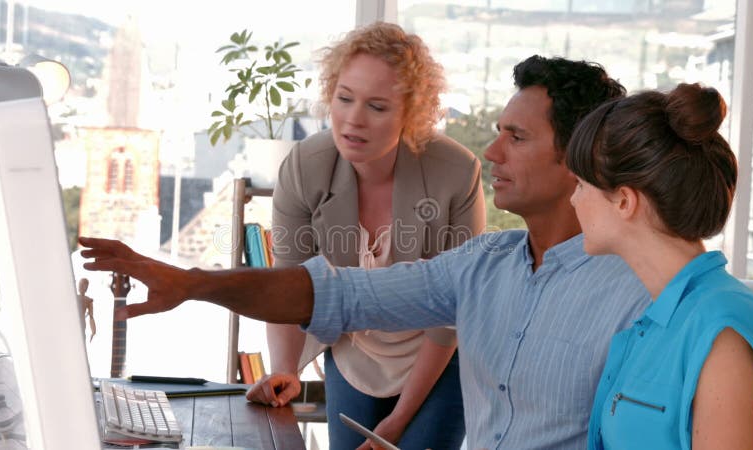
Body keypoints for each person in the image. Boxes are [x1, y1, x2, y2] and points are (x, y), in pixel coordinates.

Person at [79, 55, 652, 450]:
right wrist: (193, 284)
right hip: (357, 361)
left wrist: (404, 420)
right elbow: (334, 293)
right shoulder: (486, 266)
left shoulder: (641, 291)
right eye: (498, 131)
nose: (494, 150)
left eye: (517, 137)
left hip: (425, 370)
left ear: (581, 156)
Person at [250, 22, 485, 450]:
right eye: (344, 98)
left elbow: (451, 312)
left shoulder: (456, 172)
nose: (353, 119)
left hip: (440, 355)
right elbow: (287, 283)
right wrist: (285, 368)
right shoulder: (306, 166)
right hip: (355, 348)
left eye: (377, 106)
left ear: (410, 114)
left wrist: (396, 422)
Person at [566, 83, 753, 449]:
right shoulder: (659, 321)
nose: (572, 200)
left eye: (580, 184)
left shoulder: (723, 333)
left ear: (624, 201)